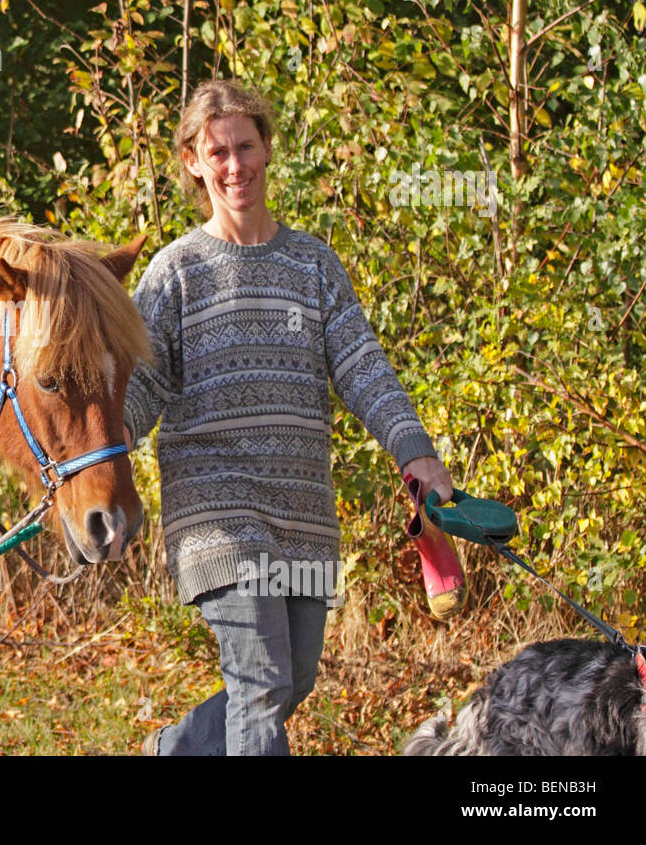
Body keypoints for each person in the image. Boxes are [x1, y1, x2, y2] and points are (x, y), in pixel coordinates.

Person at [124, 78, 463, 756]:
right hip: (214, 511)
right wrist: (85, 457)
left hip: (302, 511)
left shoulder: (313, 265)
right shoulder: (175, 273)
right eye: (215, 151)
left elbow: (362, 365)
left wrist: (413, 449)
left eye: (245, 146)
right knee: (262, 680)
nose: (233, 165)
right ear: (192, 161)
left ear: (267, 149)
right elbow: (139, 389)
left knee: (289, 681)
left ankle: (177, 750)